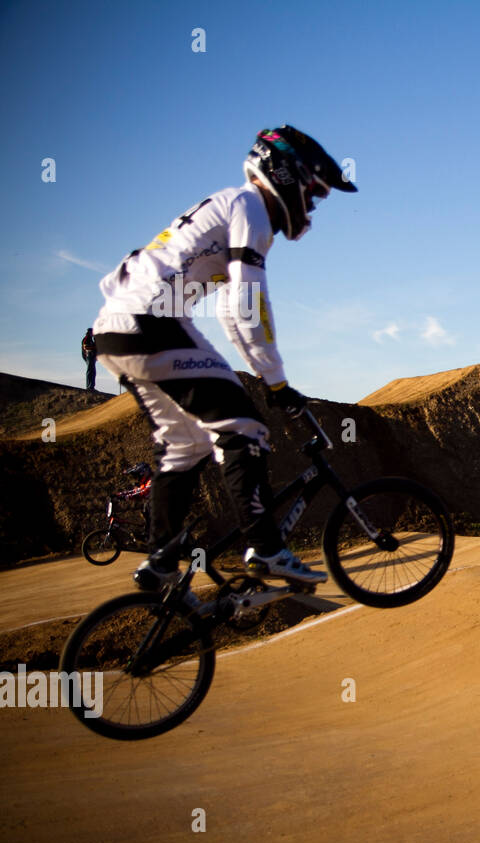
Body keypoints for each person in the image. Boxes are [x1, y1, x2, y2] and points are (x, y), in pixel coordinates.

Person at [92, 125, 356, 591]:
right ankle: (265, 547)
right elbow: (244, 305)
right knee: (244, 428)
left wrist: (267, 372)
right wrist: (275, 382)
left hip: (116, 329)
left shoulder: (230, 204)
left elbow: (231, 311)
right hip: (152, 321)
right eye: (313, 194)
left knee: (185, 445)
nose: (312, 208)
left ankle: (160, 562)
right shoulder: (251, 208)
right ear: (286, 176)